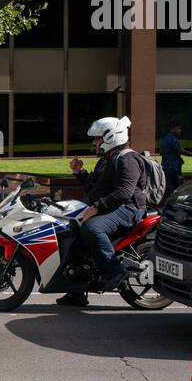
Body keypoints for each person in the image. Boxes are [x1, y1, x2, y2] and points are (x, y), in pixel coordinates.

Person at [57, 116, 149, 308]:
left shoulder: (128, 158)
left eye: (98, 138)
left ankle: (115, 270)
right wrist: (80, 172)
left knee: (92, 229)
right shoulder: (107, 159)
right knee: (70, 230)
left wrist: (97, 207)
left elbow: (125, 192)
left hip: (129, 208)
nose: (95, 142)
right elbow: (95, 187)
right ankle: (77, 290)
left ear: (111, 137)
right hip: (113, 206)